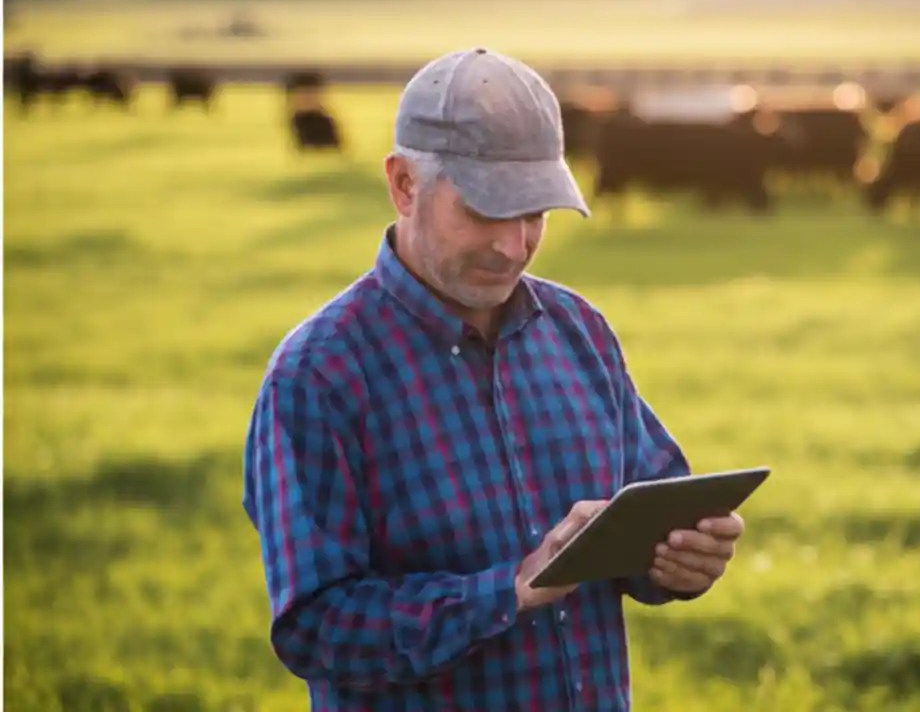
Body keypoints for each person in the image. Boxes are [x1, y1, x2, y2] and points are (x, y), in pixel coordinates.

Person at [242, 48, 746, 711]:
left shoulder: (580, 331)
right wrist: (508, 591)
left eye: (534, 213)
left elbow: (650, 518)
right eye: (484, 211)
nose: (513, 244)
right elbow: (315, 628)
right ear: (403, 185)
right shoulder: (318, 376)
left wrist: (682, 563)